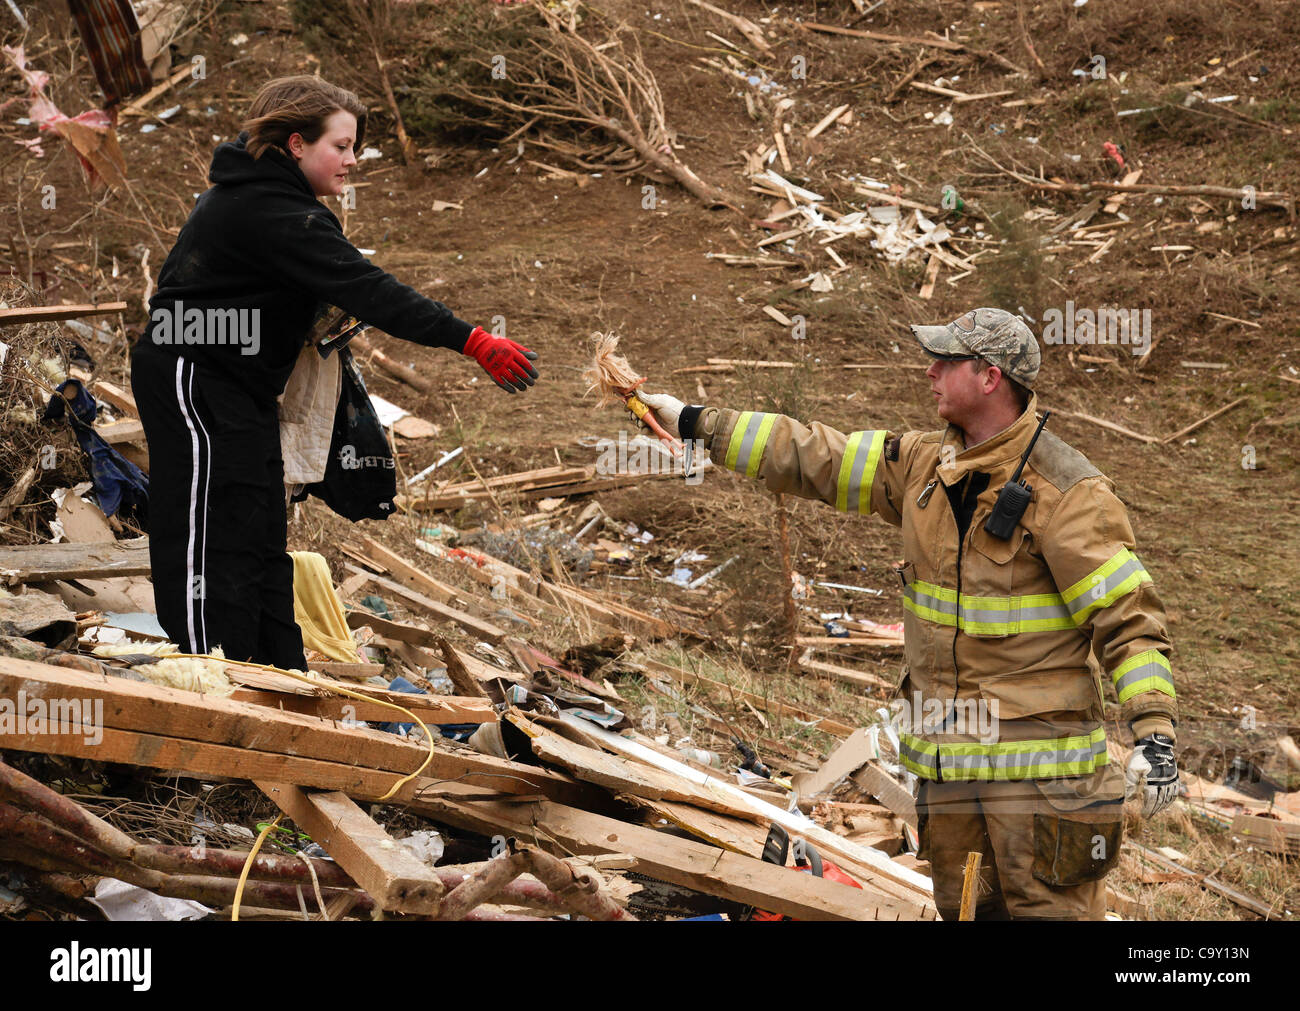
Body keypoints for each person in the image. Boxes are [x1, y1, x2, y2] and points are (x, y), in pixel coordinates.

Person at [638, 307, 1179, 921]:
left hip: (1041, 785)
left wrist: (1154, 732)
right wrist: (691, 420)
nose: (930, 371)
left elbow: (1128, 619)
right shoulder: (923, 465)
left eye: (946, 361)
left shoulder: (1069, 494)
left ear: (990, 377)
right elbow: (815, 455)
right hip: (950, 772)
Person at [130, 75, 539, 672]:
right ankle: (206, 670)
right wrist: (471, 339)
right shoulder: (266, 210)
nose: (352, 161)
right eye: (341, 147)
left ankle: (273, 673)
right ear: (296, 145)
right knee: (204, 527)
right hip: (189, 374)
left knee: (258, 527)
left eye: (354, 148)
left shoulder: (284, 208)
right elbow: (371, 290)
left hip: (238, 385)